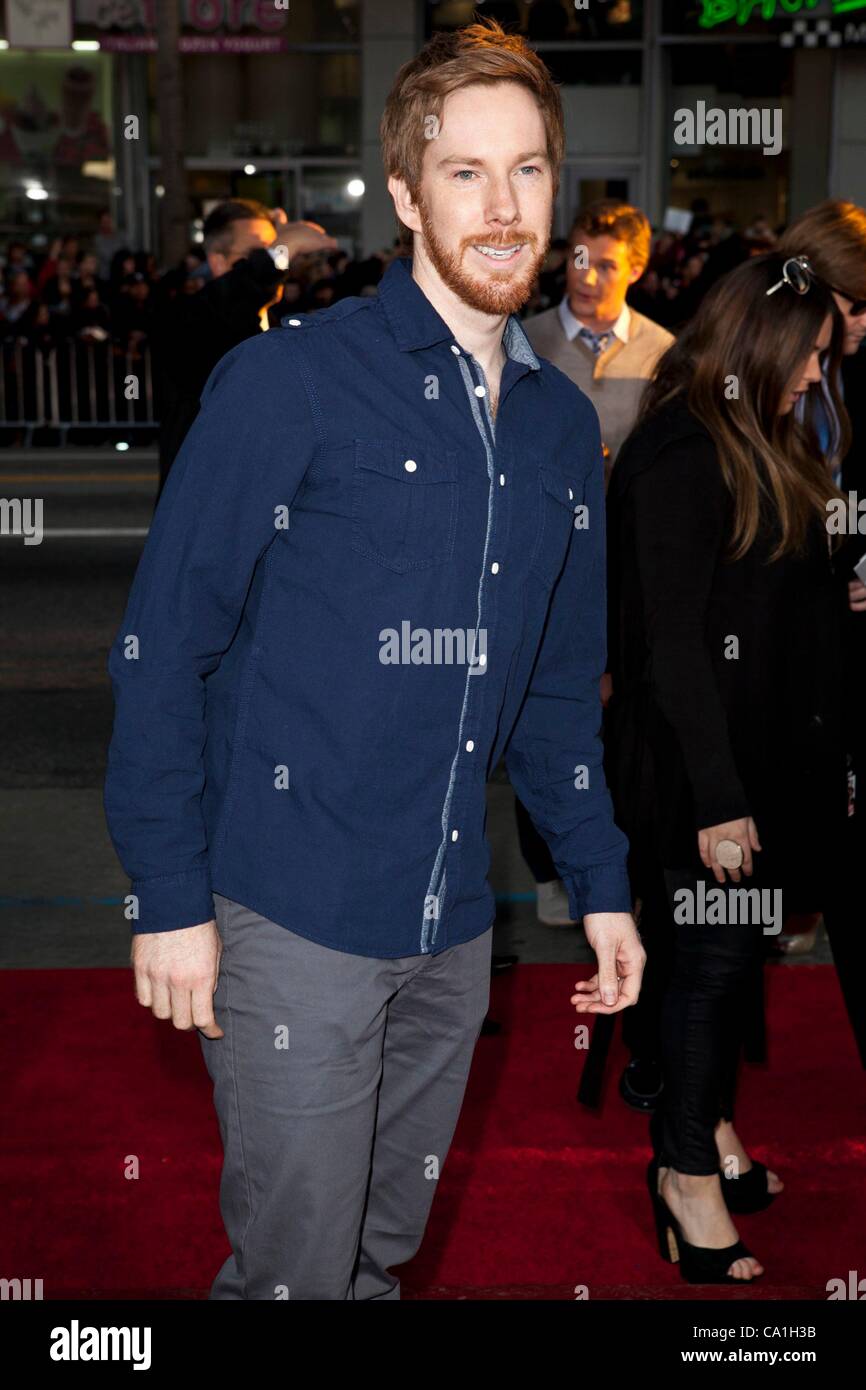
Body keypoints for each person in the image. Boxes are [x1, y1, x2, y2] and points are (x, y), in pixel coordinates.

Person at [103, 16, 645, 1302]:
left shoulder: (564, 430)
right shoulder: (286, 382)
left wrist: (603, 882)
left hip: (455, 929)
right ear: (405, 192)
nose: (502, 207)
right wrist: (170, 897)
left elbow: (561, 697)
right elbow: (160, 645)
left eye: (526, 171)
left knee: (379, 1262)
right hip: (292, 914)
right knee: (292, 1269)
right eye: (464, 172)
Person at [606, 252, 849, 1283]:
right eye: (808, 357)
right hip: (694, 771)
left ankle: (704, 1130)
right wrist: (715, 800)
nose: (814, 377)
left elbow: (773, 592)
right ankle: (681, 1175)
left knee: (727, 967)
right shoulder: (678, 454)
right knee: (706, 970)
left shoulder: (760, 435)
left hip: (760, 759)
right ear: (760, 341)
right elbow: (668, 646)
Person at [516, 201, 673, 930]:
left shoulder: (667, 355)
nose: (587, 275)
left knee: (625, 712)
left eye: (606, 262)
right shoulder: (526, 341)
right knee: (541, 700)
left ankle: (615, 858)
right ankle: (548, 864)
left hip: (635, 568)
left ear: (637, 267)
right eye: (578, 257)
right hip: (543, 560)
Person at [154, 199, 337, 496]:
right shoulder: (193, 320)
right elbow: (233, 296)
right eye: (256, 253)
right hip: (206, 497)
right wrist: (283, 247)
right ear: (218, 261)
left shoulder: (278, 324)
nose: (270, 263)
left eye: (270, 250)